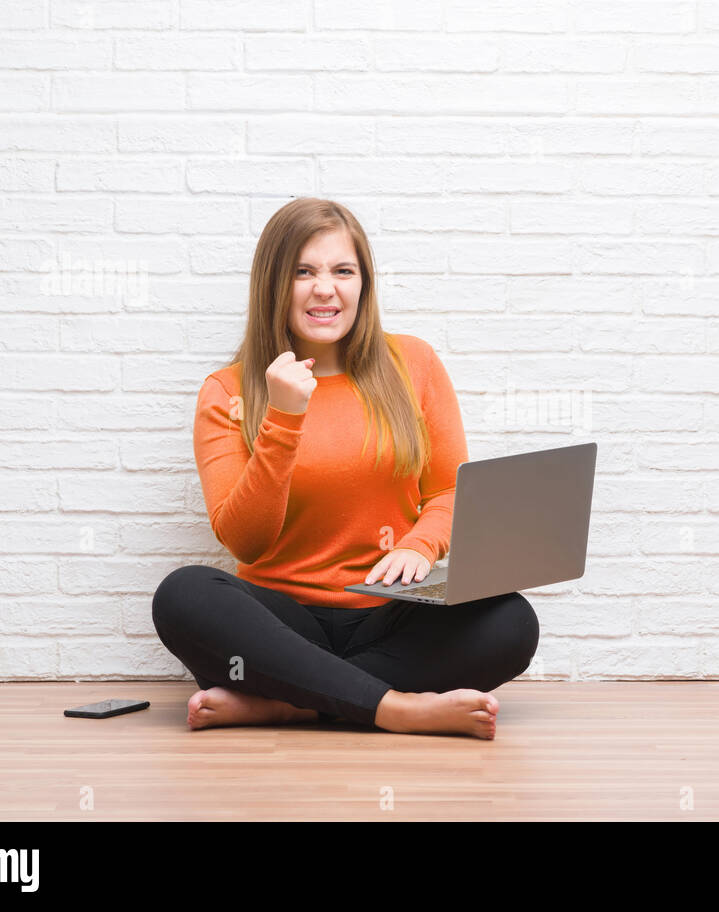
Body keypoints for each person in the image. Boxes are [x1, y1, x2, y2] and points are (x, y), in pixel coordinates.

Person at [150, 198, 539, 740]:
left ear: (363, 284)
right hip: (280, 628)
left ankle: (290, 705)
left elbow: (451, 490)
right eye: (303, 271)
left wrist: (417, 546)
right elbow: (246, 543)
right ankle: (398, 709)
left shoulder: (414, 363)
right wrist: (283, 417)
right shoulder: (227, 391)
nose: (324, 288)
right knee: (184, 594)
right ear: (274, 285)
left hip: (391, 612)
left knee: (512, 620)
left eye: (342, 271)